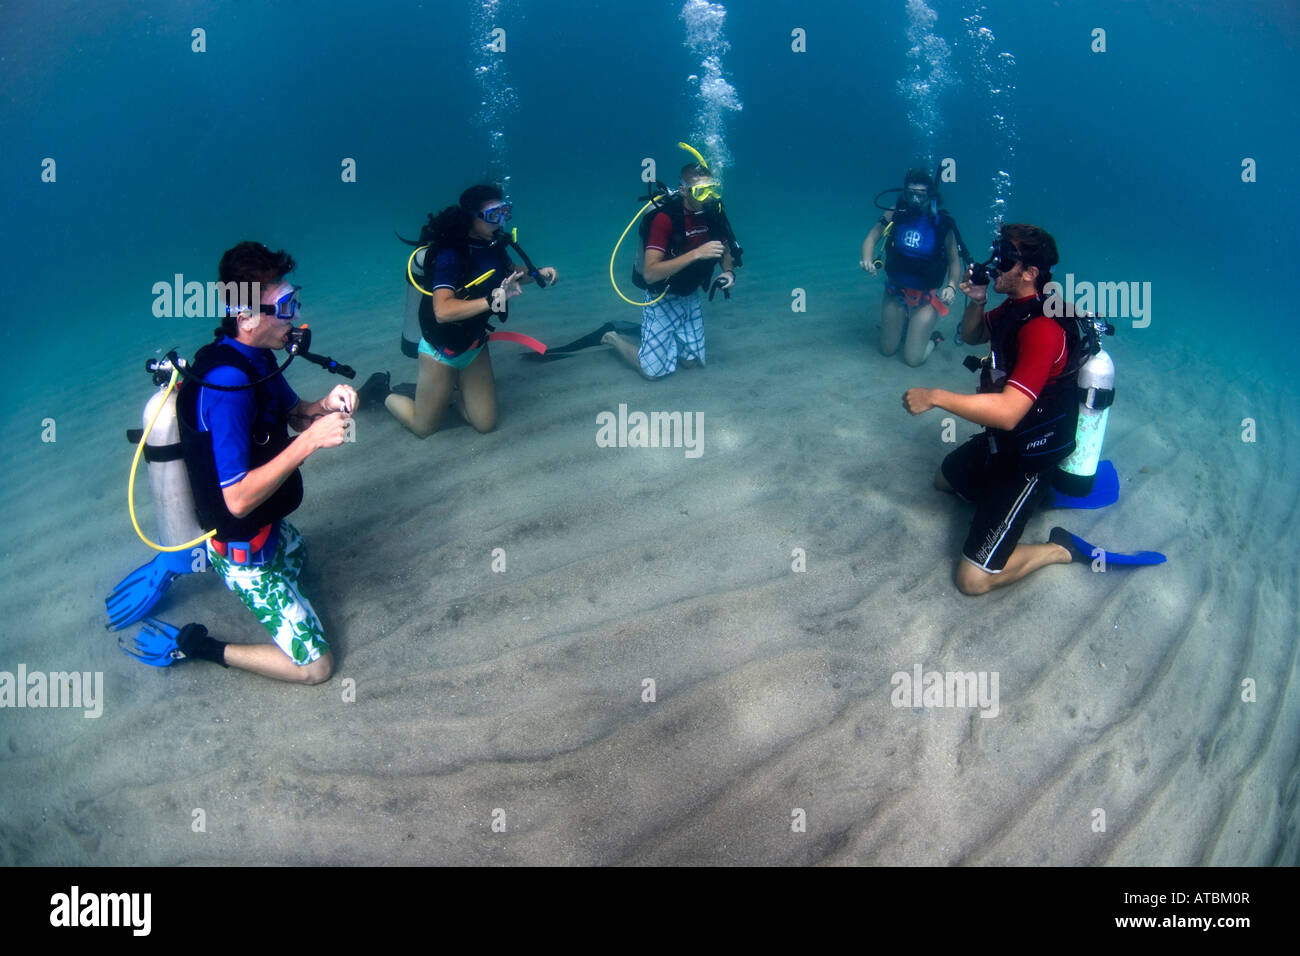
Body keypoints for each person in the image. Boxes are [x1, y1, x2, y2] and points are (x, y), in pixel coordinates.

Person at [165, 242, 354, 682]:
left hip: (270, 528)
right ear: (247, 317)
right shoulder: (227, 385)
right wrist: (310, 442)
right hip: (240, 546)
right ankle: (204, 647)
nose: (294, 315)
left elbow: (294, 413)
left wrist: (327, 404)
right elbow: (237, 500)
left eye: (294, 299)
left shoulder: (259, 358)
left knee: (302, 559)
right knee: (318, 668)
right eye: (284, 306)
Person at [902, 223, 1081, 595]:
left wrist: (935, 396)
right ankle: (1005, 509)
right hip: (1003, 442)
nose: (995, 263)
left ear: (1030, 273)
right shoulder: (1014, 310)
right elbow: (971, 335)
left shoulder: (1043, 328)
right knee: (944, 481)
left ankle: (1057, 549)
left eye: (1006, 258)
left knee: (972, 580)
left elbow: (1009, 412)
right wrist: (978, 299)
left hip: (1028, 456)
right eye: (998, 251)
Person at [363, 185, 557, 436]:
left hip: (474, 345)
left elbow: (511, 274)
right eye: (492, 215)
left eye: (504, 212)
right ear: (470, 217)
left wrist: (537, 273)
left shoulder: (494, 244)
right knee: (423, 427)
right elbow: (442, 310)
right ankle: (381, 391)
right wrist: (490, 300)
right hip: (441, 350)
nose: (500, 222)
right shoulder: (450, 254)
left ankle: (449, 392)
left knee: (486, 424)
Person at [603, 163, 737, 379]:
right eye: (700, 191)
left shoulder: (712, 212)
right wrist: (697, 254)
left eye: (713, 189)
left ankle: (662, 338)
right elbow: (650, 273)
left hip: (690, 295)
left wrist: (728, 272)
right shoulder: (664, 219)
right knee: (653, 372)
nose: (709, 197)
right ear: (683, 190)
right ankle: (613, 337)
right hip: (662, 297)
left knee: (691, 363)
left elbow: (724, 248)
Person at [861, 169, 964, 366]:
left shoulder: (942, 223)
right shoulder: (894, 212)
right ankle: (905, 327)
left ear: (931, 195)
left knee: (912, 359)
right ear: (904, 193)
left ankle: (934, 339)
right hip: (895, 291)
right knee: (887, 350)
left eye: (921, 194)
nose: (915, 199)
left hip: (926, 298)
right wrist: (867, 259)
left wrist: (951, 286)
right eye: (911, 194)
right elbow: (872, 238)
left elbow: (953, 260)